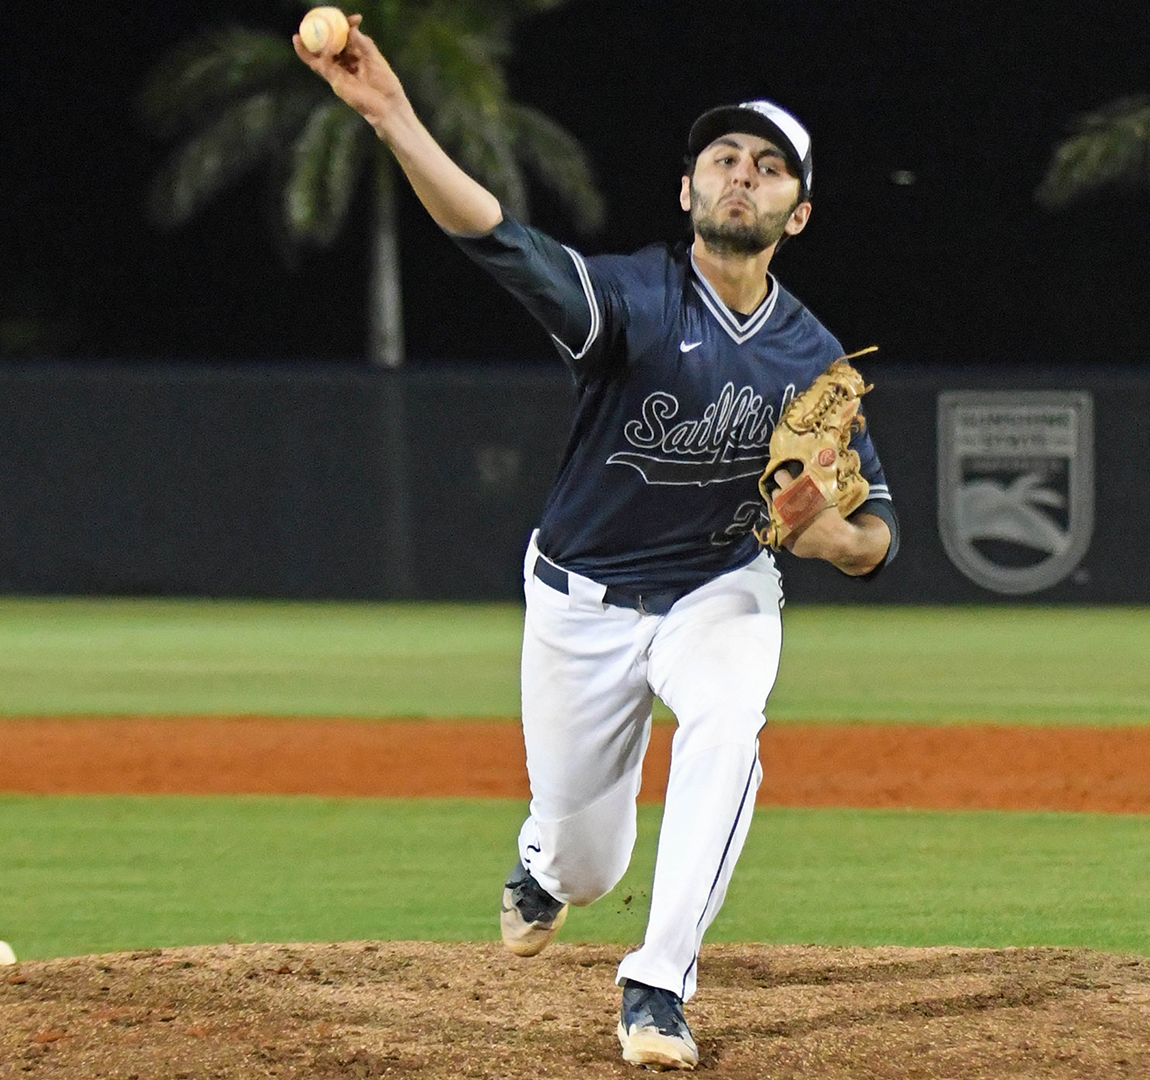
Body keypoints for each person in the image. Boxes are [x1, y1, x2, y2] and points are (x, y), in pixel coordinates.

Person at [297, 16, 898, 1071]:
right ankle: (545, 861)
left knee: (728, 723)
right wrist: (391, 114)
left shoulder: (812, 358)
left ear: (796, 213)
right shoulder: (630, 299)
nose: (740, 178)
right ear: (688, 193)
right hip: (579, 600)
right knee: (584, 860)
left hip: (720, 587)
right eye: (722, 160)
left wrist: (832, 535)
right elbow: (495, 237)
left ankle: (659, 983)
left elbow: (875, 540)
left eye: (766, 169)